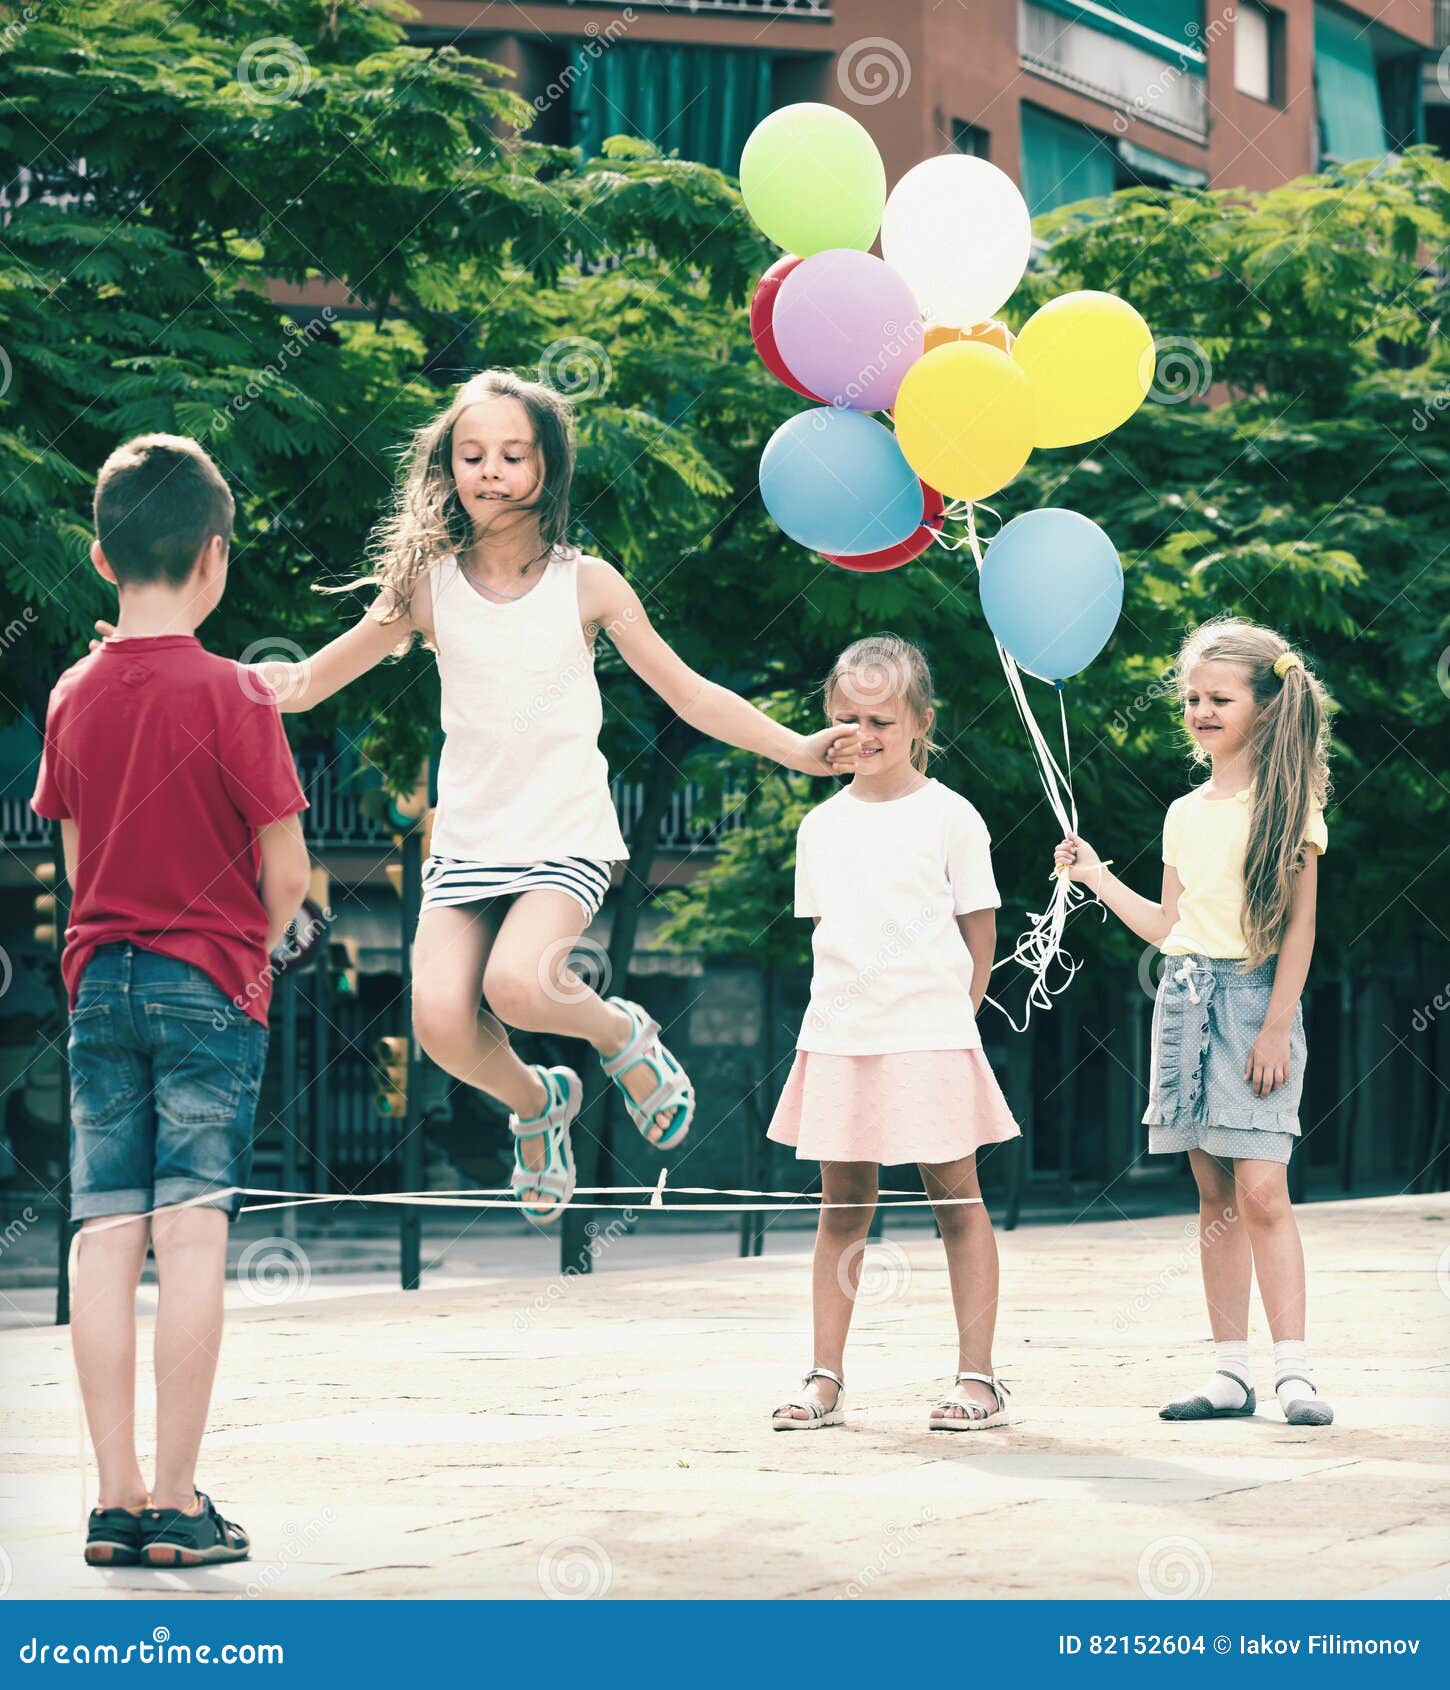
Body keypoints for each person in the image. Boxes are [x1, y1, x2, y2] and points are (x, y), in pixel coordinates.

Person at [95, 371, 857, 1222]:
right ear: (448, 467)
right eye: (472, 455)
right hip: (466, 844)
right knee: (441, 1027)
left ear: (547, 467)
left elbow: (691, 694)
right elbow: (310, 680)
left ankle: (621, 1035)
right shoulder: (429, 586)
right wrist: (167, 661)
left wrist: (797, 747)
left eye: (511, 455)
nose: (490, 471)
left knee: (519, 987)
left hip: (564, 834)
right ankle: (538, 1104)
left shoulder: (589, 584)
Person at [36, 434, 311, 1565]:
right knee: (191, 1237)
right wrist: (250, 954)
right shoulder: (239, 691)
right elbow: (285, 871)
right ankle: (181, 1504)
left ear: (102, 558)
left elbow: (75, 853)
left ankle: (113, 1496)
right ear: (215, 558)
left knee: (105, 1235)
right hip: (210, 985)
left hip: (99, 986)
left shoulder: (70, 694)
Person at [1056, 618, 1334, 1426]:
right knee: (1213, 1197)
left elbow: (1301, 930)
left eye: (1220, 698)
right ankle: (1229, 1374)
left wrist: (1277, 1027)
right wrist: (1095, 874)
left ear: (1264, 705)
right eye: (1192, 699)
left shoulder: (1292, 806)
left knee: (1264, 1191)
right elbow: (1166, 925)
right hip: (1182, 1001)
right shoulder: (1183, 810)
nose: (1201, 711)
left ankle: (1295, 1372)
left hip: (1255, 1002)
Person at [767, 635, 1020, 1433]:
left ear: (921, 723)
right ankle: (824, 1378)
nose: (863, 735)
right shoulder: (820, 826)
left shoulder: (952, 815)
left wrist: (954, 1020)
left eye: (881, 718)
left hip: (931, 1034)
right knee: (842, 1207)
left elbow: (980, 935)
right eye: (847, 718)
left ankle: (978, 1377)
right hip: (841, 1035)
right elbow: (827, 936)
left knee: (958, 1198)